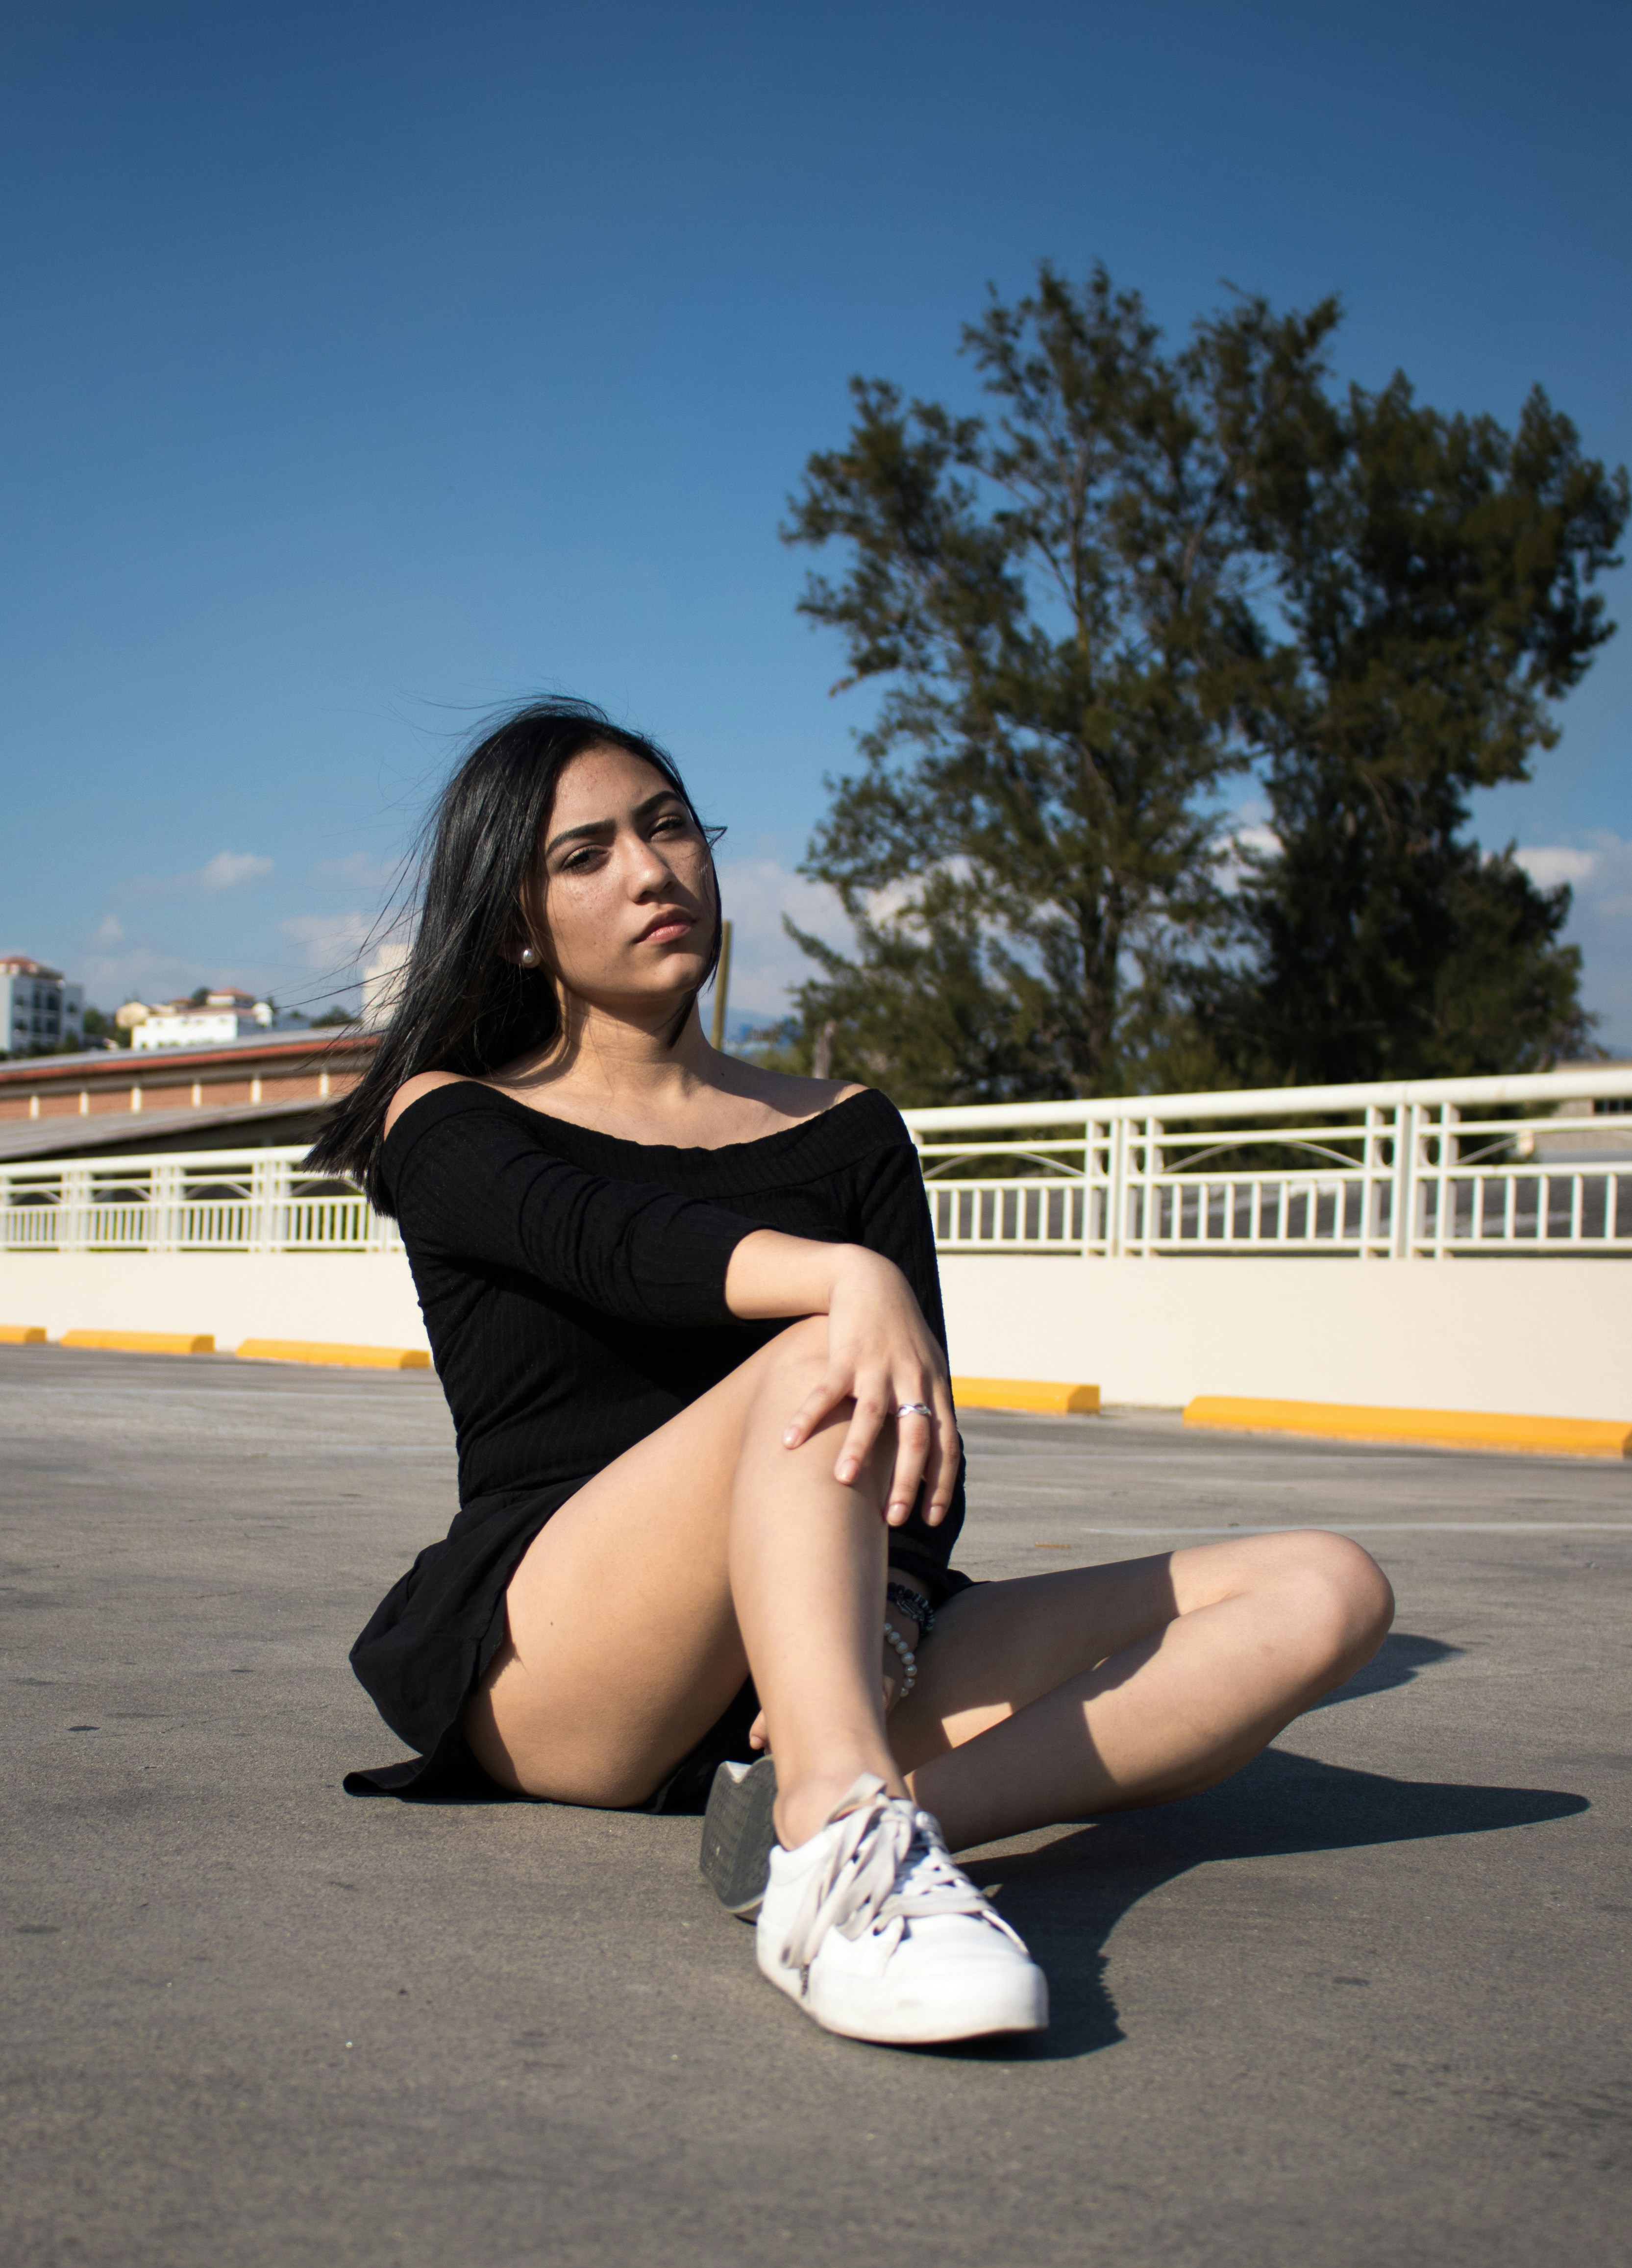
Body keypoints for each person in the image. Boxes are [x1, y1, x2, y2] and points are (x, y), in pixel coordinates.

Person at [310, 699, 1393, 2049]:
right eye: (584, 855)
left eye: (667, 828)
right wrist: (834, 1274)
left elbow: (918, 1444)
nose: (651, 871)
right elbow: (611, 1244)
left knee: (1323, 1586)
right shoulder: (452, 1114)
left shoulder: (846, 1128)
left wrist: (890, 1606)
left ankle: (845, 1822)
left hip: (806, 1655)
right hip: (571, 1648)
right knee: (819, 1357)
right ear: (519, 924)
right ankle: (843, 1852)